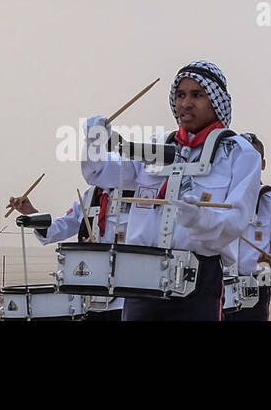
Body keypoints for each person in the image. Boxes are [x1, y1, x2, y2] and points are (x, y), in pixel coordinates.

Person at [82, 61, 261, 321]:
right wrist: (94, 142)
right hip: (141, 278)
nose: (186, 103)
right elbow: (99, 174)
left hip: (197, 279)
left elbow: (236, 219)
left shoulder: (239, 153)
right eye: (180, 95)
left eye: (197, 95)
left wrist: (199, 219)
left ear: (216, 100)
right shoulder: (156, 145)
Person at [7, 184, 132, 320]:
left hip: (125, 297)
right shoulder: (90, 195)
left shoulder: (135, 192)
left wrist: (101, 249)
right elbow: (57, 229)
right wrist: (31, 213)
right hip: (91, 297)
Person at [222, 133, 271, 321]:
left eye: (253, 161)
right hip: (222, 282)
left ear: (263, 164)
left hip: (258, 282)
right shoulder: (220, 198)